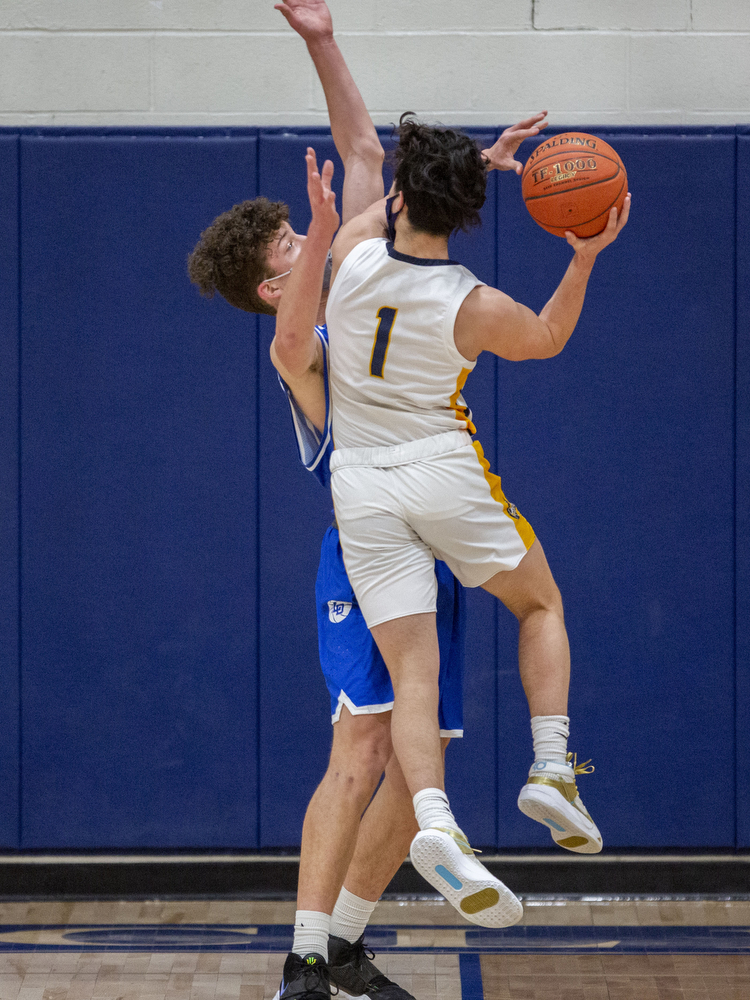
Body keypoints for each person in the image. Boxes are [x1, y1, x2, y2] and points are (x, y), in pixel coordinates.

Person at [187, 4, 546, 998]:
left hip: (435, 535)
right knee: (363, 739)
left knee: (415, 762)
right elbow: (295, 339)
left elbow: (363, 149)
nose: (316, 239)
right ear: (271, 285)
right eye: (292, 246)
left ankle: (343, 942)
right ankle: (303, 960)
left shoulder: (358, 260)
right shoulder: (300, 350)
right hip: (362, 548)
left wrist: (321, 41)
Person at [311, 116, 631, 925]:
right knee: (541, 603)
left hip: (361, 489)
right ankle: (551, 770)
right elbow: (551, 336)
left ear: (401, 197)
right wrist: (584, 255)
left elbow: (389, 202)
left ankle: (439, 826)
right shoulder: (473, 303)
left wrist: (475, 164)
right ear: (465, 216)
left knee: (413, 673)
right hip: (439, 470)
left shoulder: (347, 253)